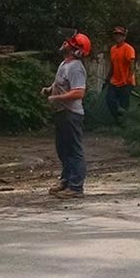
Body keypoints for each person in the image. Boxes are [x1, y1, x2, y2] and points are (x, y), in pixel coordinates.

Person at [43, 31, 90, 197]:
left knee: (73, 150)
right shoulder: (65, 64)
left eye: (69, 42)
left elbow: (79, 92)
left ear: (75, 49)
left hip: (71, 113)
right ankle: (66, 180)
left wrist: (56, 97)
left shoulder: (76, 68)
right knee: (63, 149)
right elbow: (61, 83)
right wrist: (50, 90)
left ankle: (76, 187)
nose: (65, 43)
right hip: (62, 112)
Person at [102, 26, 136, 125]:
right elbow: (113, 65)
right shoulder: (113, 49)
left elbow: (132, 65)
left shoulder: (128, 49)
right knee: (110, 99)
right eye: (116, 34)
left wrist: (129, 79)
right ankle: (117, 119)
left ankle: (123, 123)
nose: (117, 37)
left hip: (126, 81)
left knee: (124, 104)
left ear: (124, 37)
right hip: (115, 81)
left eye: (120, 35)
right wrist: (108, 78)